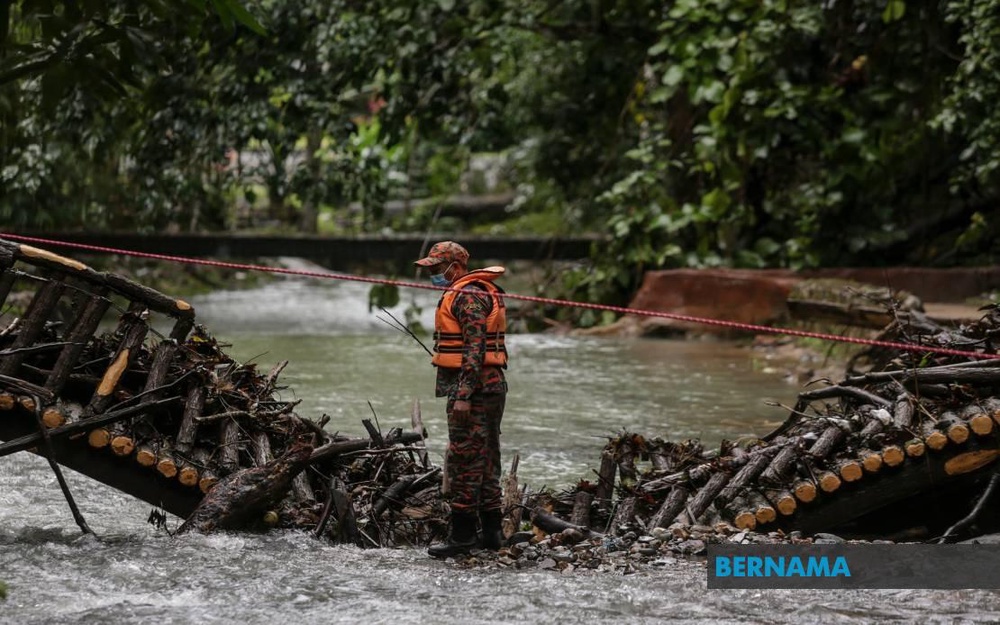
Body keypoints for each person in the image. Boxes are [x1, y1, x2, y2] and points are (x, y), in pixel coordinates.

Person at [415, 241, 508, 558]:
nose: (433, 275)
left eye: (437, 269)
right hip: (489, 387)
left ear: (454, 267)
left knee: (466, 459)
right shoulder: (470, 292)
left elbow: (475, 348)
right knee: (486, 458)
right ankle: (493, 533)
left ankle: (463, 536)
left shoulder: (467, 295)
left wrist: (464, 395)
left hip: (476, 390)